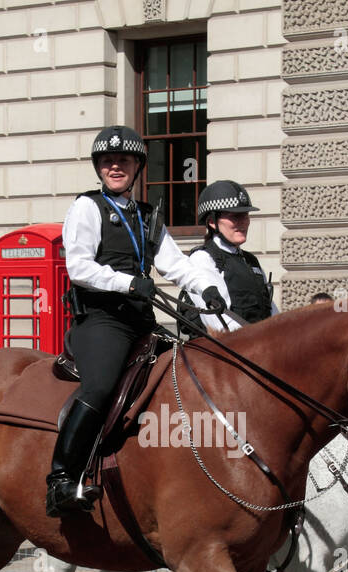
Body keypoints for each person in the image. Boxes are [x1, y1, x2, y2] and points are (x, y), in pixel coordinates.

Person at [48, 124, 225, 517]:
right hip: (102, 320)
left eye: (123, 161)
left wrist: (207, 289)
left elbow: (176, 265)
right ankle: (61, 479)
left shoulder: (147, 216)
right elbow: (78, 266)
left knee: (189, 376)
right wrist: (128, 283)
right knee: (101, 386)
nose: (116, 167)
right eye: (108, 161)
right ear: (99, 167)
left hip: (142, 321)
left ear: (137, 167)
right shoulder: (87, 207)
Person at [185, 181, 273, 333]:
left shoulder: (251, 261)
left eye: (245, 216)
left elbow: (271, 313)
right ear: (212, 222)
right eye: (235, 217)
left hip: (258, 348)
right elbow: (220, 324)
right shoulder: (203, 259)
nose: (243, 223)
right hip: (227, 350)